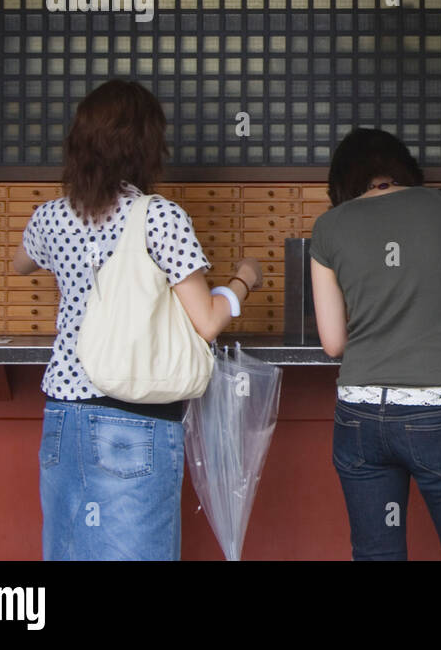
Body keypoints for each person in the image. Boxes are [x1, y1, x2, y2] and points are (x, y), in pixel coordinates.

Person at [14, 79, 264, 561]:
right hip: (134, 418)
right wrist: (243, 280)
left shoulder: (50, 217)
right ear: (145, 148)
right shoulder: (158, 217)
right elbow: (207, 321)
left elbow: (19, 263)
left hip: (64, 415)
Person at [310, 128, 441, 561]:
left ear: (342, 180)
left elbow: (333, 342)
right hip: (438, 410)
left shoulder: (328, 227)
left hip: (359, 414)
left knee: (377, 553)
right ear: (403, 168)